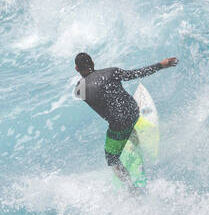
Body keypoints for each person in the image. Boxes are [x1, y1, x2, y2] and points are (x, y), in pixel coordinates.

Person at [73, 52, 178, 188]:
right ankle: (132, 135)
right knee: (124, 114)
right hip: (133, 111)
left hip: (119, 126)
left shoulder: (79, 90)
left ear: (77, 69)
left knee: (112, 159)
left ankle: (131, 187)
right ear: (93, 62)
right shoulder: (112, 72)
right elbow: (137, 73)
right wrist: (161, 65)